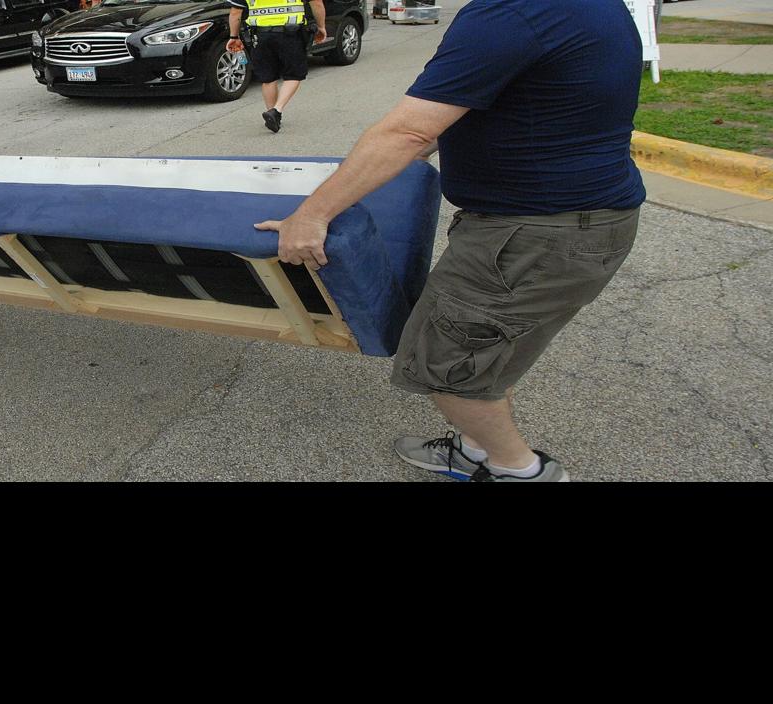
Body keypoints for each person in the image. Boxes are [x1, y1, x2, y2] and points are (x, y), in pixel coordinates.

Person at [256, 0, 646, 482]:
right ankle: (474, 449)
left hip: (535, 233)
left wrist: (312, 214)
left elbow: (410, 131)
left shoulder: (510, 12)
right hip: (572, 223)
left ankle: (517, 471)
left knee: (448, 368)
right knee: (485, 353)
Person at [225, 0, 325, 133]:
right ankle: (276, 110)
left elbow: (235, 12)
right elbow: (317, 3)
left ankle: (272, 116)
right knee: (293, 75)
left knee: (268, 78)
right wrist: (321, 26)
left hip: (260, 36)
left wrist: (234, 36)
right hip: (290, 34)